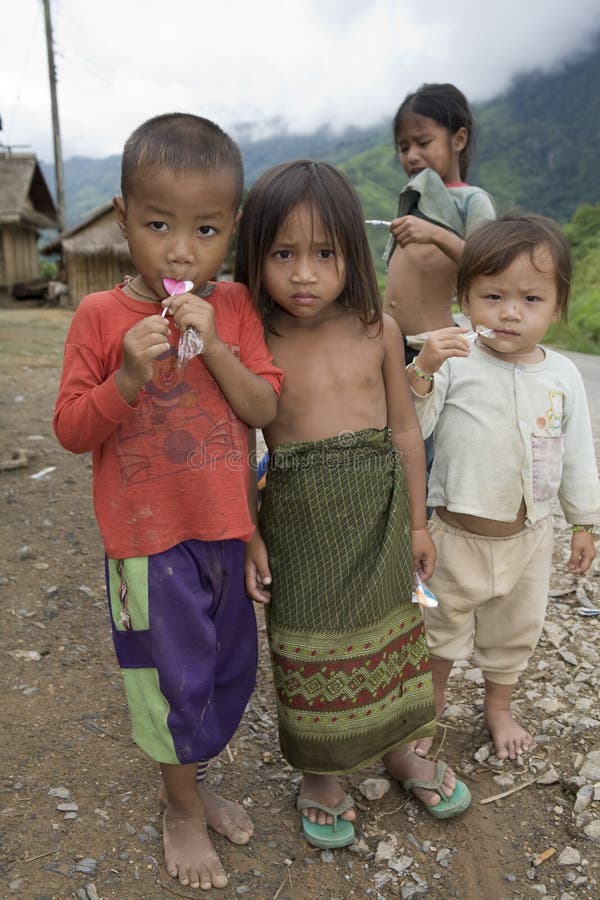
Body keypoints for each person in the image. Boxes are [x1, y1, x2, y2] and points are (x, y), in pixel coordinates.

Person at [53, 113, 284, 890]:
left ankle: (194, 779)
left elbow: (262, 410)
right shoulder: (98, 319)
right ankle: (179, 807)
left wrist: (213, 342)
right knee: (166, 681)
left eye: (206, 229)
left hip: (223, 534)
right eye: (158, 225)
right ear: (122, 217)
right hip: (146, 545)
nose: (181, 250)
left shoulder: (240, 309)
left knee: (226, 673)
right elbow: (69, 429)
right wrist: (122, 380)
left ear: (234, 229)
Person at [236, 160, 471, 851]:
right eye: (284, 253)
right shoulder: (257, 338)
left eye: (324, 253)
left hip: (379, 515)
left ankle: (400, 751)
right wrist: (250, 535)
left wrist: (420, 522)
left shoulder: (379, 331)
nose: (304, 273)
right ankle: (321, 774)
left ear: (353, 255)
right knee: (306, 651)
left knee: (396, 639)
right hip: (299, 523)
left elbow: (404, 430)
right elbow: (236, 442)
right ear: (257, 255)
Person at [406, 213, 600, 761]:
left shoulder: (563, 376)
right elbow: (411, 428)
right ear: (464, 299)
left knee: (515, 632)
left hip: (530, 537)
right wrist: (421, 370)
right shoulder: (453, 361)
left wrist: (583, 521)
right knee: (438, 626)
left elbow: (578, 454)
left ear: (557, 306)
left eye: (531, 299)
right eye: (493, 295)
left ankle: (498, 707)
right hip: (454, 536)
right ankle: (431, 703)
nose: (510, 312)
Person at [383, 82, 496, 361]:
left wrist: (437, 235)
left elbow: (491, 265)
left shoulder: (471, 200)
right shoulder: (411, 202)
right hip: (391, 345)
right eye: (403, 147)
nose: (411, 155)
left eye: (423, 143)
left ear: (459, 139)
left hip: (431, 347)